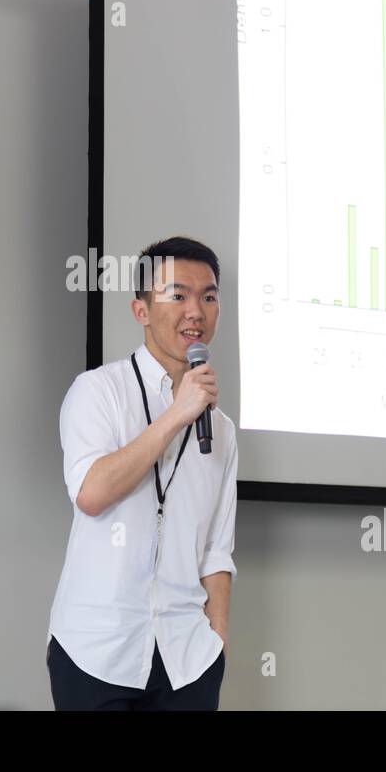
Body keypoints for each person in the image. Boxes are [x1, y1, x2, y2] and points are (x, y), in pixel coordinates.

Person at [46, 236, 238, 710]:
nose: (196, 311)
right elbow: (92, 493)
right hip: (97, 651)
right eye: (178, 295)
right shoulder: (97, 392)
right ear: (142, 311)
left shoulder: (224, 430)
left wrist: (218, 640)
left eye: (209, 297)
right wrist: (177, 414)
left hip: (187, 657)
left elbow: (217, 547)